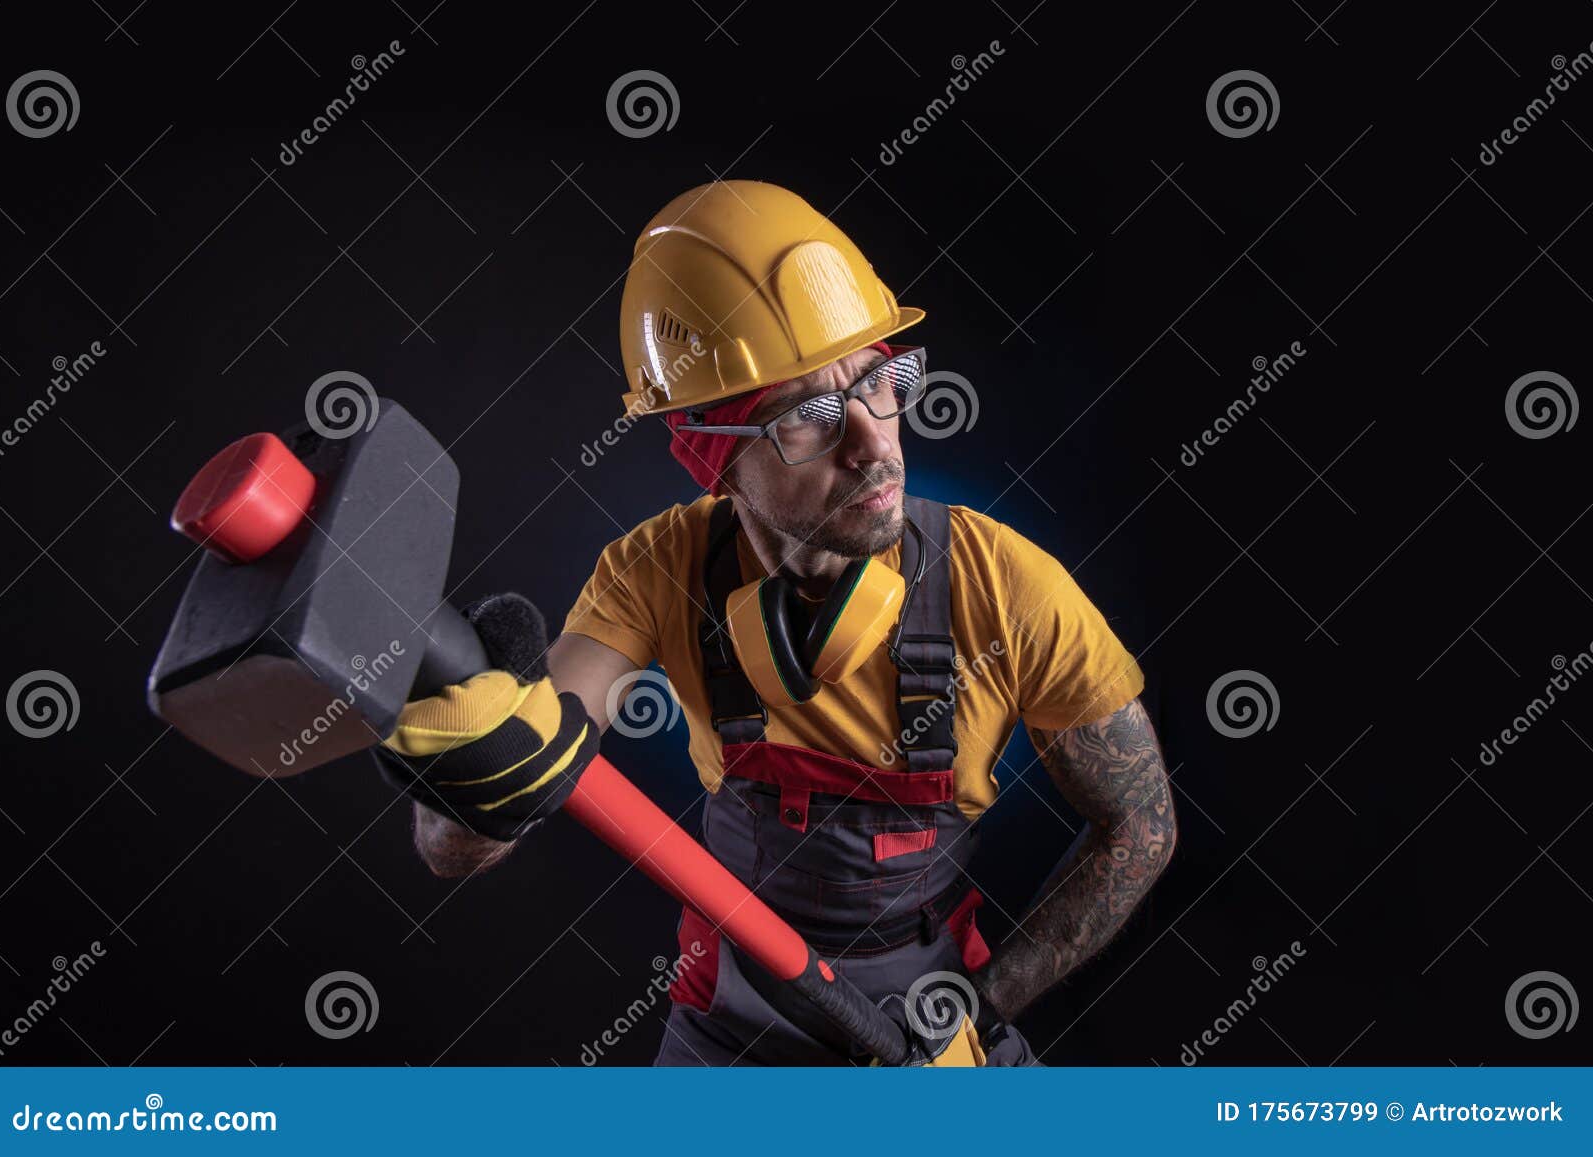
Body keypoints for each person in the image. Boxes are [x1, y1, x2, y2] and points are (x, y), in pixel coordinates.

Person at [375, 180, 1177, 1066]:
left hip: (933, 1022)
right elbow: (465, 841)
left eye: (879, 381)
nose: (874, 441)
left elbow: (1140, 827)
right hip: (730, 1027)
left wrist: (980, 1011)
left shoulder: (1006, 588)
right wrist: (468, 766)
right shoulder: (658, 572)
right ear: (708, 457)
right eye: (807, 416)